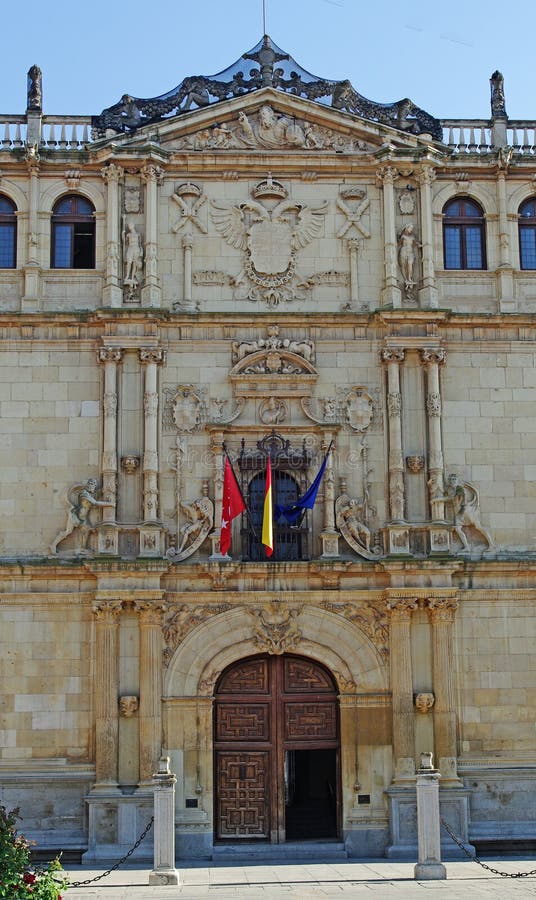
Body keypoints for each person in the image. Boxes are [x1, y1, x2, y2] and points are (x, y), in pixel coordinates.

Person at [50, 479, 111, 554]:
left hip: (83, 518)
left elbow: (97, 493)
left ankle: (82, 549)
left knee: (87, 530)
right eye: (91, 484)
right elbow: (95, 503)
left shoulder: (89, 493)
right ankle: (53, 545)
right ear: (88, 485)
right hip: (76, 516)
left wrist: (106, 488)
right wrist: (110, 504)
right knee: (68, 531)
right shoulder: (84, 494)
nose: (92, 486)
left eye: (94, 485)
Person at [398, 224, 420, 289]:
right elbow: (399, 243)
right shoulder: (403, 237)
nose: (411, 230)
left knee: (410, 264)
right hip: (403, 251)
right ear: (407, 228)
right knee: (403, 266)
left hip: (410, 252)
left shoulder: (412, 237)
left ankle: (410, 278)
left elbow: (416, 244)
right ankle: (406, 279)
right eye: (410, 228)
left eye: (412, 228)